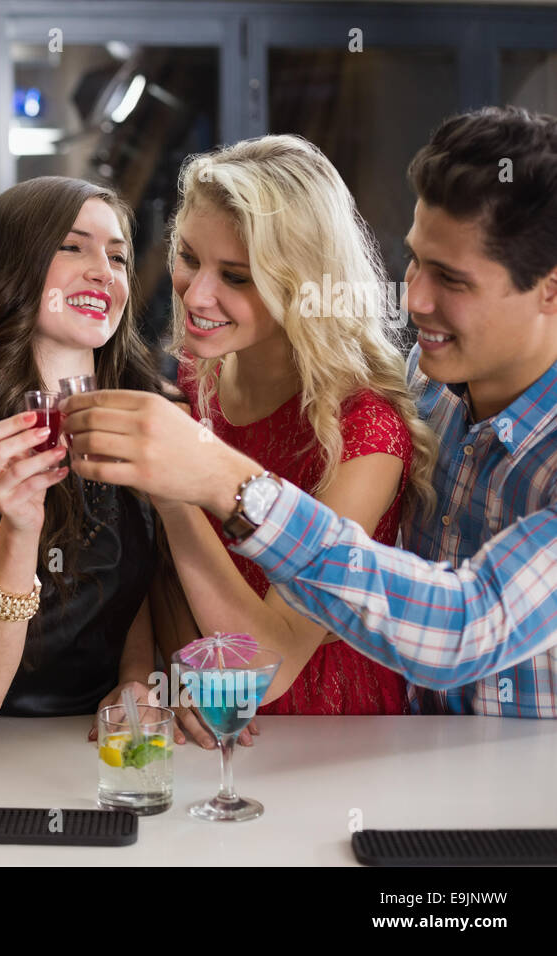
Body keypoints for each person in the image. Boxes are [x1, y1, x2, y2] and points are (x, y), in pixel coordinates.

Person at [62, 106, 557, 718]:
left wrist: (209, 480)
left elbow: (462, 628)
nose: (416, 297)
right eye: (416, 261)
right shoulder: (430, 388)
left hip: (511, 774)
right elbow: (164, 573)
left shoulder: (373, 418)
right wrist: (176, 671)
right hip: (408, 755)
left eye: (452, 280)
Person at [148, 135, 438, 715]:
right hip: (205, 711)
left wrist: (174, 493)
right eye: (188, 257)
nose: (196, 294)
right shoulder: (189, 379)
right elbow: (165, 571)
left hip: (326, 729)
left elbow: (269, 665)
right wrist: (181, 673)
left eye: (235, 276)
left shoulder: (365, 433)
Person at [0, 176, 161, 723]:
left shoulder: (149, 411)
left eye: (118, 257)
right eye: (72, 247)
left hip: (99, 750)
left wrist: (134, 680)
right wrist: (21, 527)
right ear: (13, 268)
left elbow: (136, 587)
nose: (103, 269)